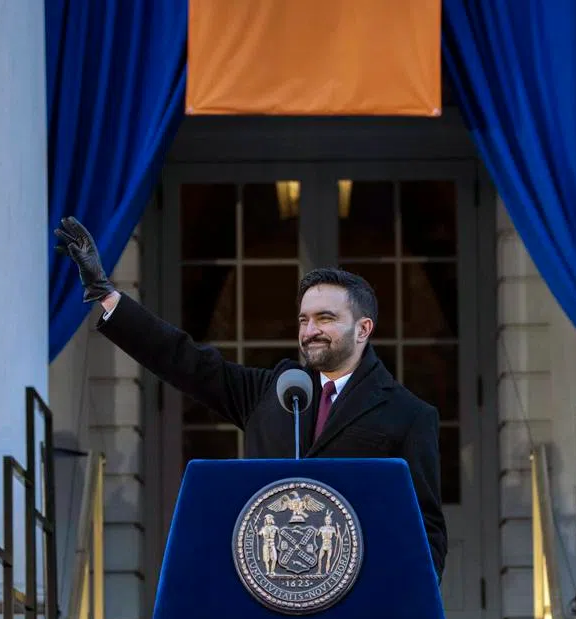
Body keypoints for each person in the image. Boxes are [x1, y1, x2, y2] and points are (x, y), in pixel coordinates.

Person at [54, 216, 448, 579]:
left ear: (363, 329)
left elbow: (426, 532)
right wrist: (107, 297)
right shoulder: (275, 390)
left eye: (325, 318)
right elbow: (185, 361)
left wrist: (407, 610)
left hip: (359, 598)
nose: (310, 330)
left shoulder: (408, 415)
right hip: (265, 590)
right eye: (304, 319)